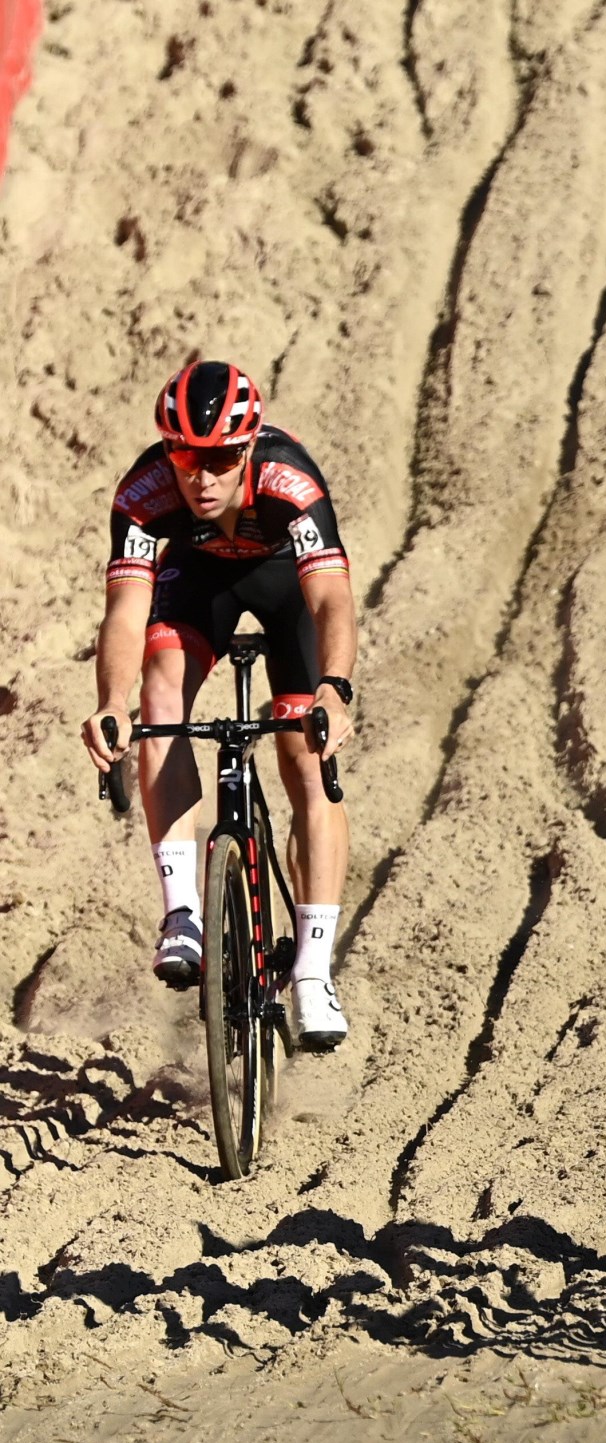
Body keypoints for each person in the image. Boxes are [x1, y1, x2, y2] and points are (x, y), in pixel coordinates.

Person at [79, 361, 355, 1050]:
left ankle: (314, 972)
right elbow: (124, 611)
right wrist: (112, 701)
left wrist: (335, 687)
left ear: (250, 446)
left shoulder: (290, 482)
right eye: (186, 458)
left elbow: (330, 599)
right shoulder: (145, 495)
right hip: (198, 580)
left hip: (283, 585)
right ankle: (183, 914)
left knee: (307, 758)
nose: (201, 477)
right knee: (159, 691)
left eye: (222, 459)